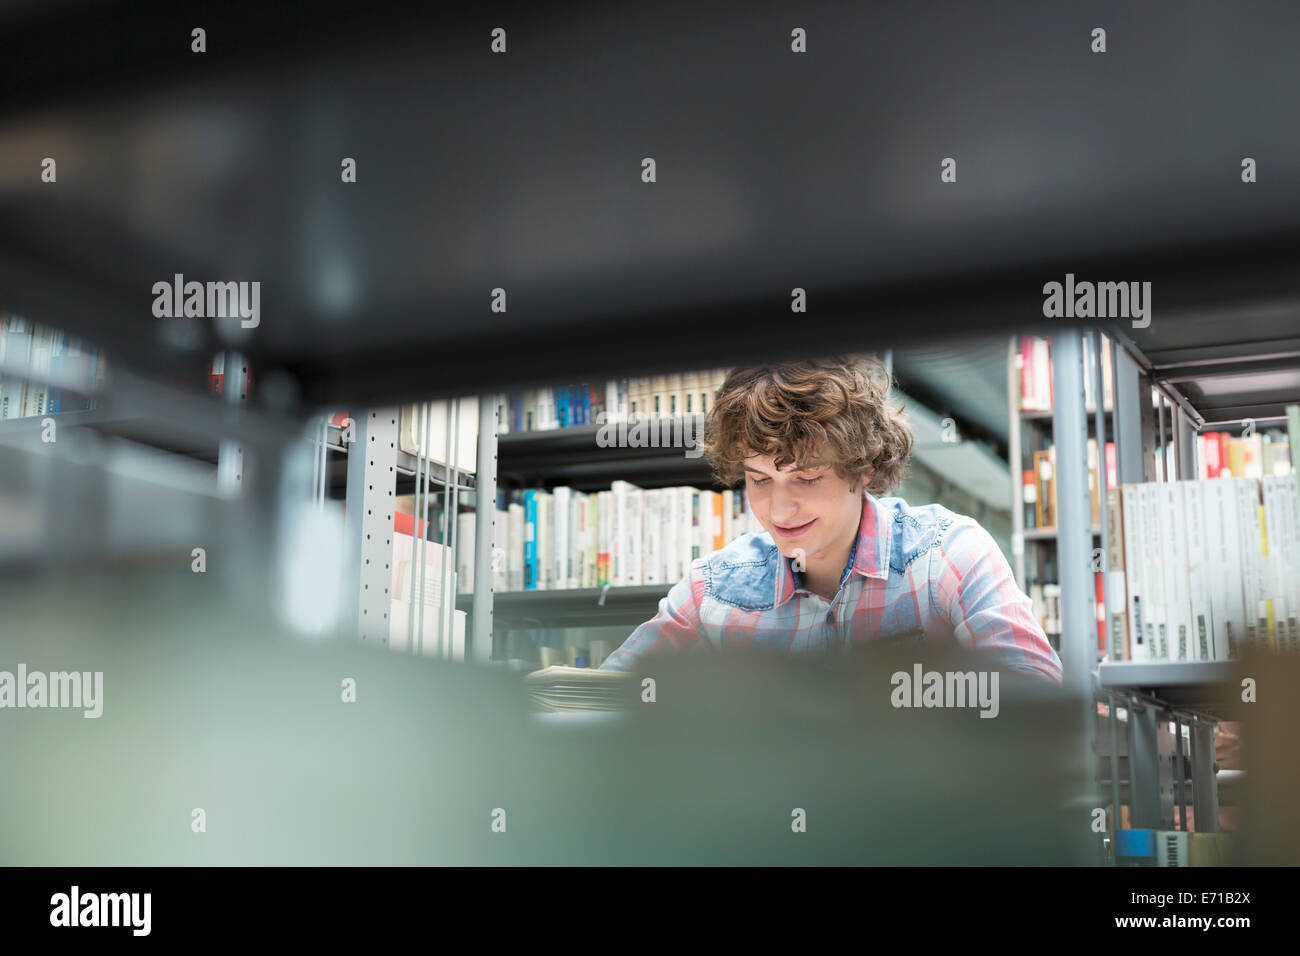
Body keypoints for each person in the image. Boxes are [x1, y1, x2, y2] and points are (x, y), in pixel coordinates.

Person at [598, 355, 1063, 682]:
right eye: (759, 481)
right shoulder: (713, 589)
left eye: (805, 478)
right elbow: (605, 699)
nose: (778, 511)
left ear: (864, 468)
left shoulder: (948, 553)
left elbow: (1036, 695)